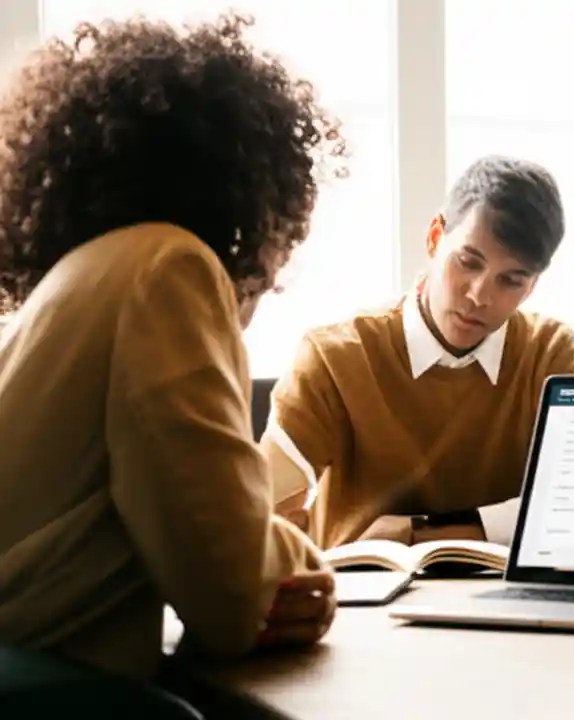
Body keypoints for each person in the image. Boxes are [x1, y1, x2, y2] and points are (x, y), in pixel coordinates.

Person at [0, 14, 347, 680]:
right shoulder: (167, 270)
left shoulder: (85, 281)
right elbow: (235, 595)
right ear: (250, 189)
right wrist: (306, 568)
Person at [263, 155, 574, 550]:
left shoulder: (549, 355)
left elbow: (570, 504)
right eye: (468, 262)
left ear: (531, 286)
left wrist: (421, 530)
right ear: (435, 237)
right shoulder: (335, 358)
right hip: (361, 584)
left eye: (510, 281)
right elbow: (266, 510)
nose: (479, 295)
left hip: (496, 588)